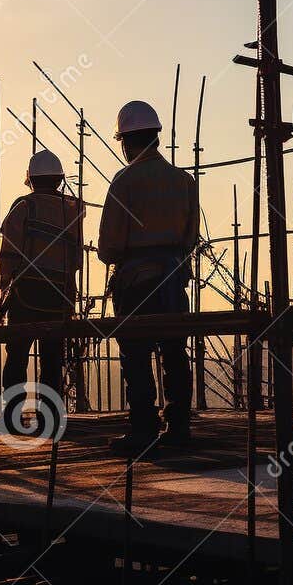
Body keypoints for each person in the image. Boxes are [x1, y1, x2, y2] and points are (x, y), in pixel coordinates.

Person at [96, 99, 199, 457]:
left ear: (126, 142)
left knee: (136, 355)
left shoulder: (124, 182)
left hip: (135, 283)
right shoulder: (184, 181)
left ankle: (143, 427)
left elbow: (109, 246)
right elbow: (190, 238)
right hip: (173, 279)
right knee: (174, 352)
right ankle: (179, 425)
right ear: (156, 137)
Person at [0, 149, 84, 429]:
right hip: (59, 296)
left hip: (25, 295)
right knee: (52, 358)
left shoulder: (24, 207)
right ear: (59, 180)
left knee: (17, 356)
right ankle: (50, 416)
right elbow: (76, 260)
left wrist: (2, 298)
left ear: (31, 180)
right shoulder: (71, 210)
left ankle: (12, 417)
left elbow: (8, 255)